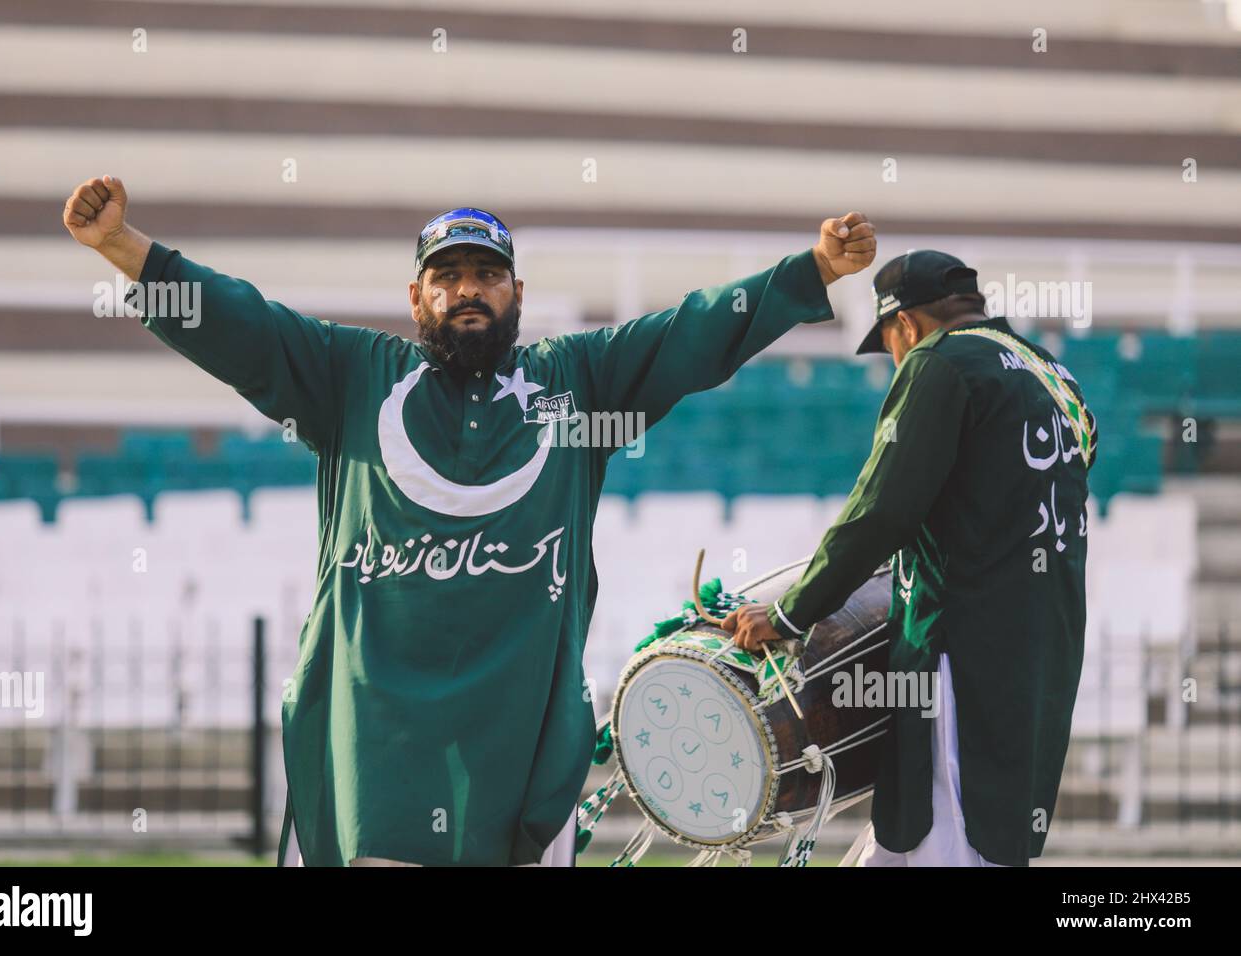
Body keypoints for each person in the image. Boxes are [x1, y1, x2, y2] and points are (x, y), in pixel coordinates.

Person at [62, 175, 876, 866]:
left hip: (519, 747)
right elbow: (241, 327)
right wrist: (123, 247)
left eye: (485, 275)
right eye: (445, 277)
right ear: (415, 295)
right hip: (374, 745)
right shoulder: (351, 377)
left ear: (516, 294)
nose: (465, 291)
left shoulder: (577, 385)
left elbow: (695, 331)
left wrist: (813, 270)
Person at [722, 250, 1097, 867]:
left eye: (890, 344)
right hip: (1042, 650)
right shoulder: (1056, 378)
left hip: (960, 650)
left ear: (907, 325)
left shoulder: (938, 364)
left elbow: (882, 511)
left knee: (950, 836)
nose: (895, 360)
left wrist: (791, 616)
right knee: (942, 835)